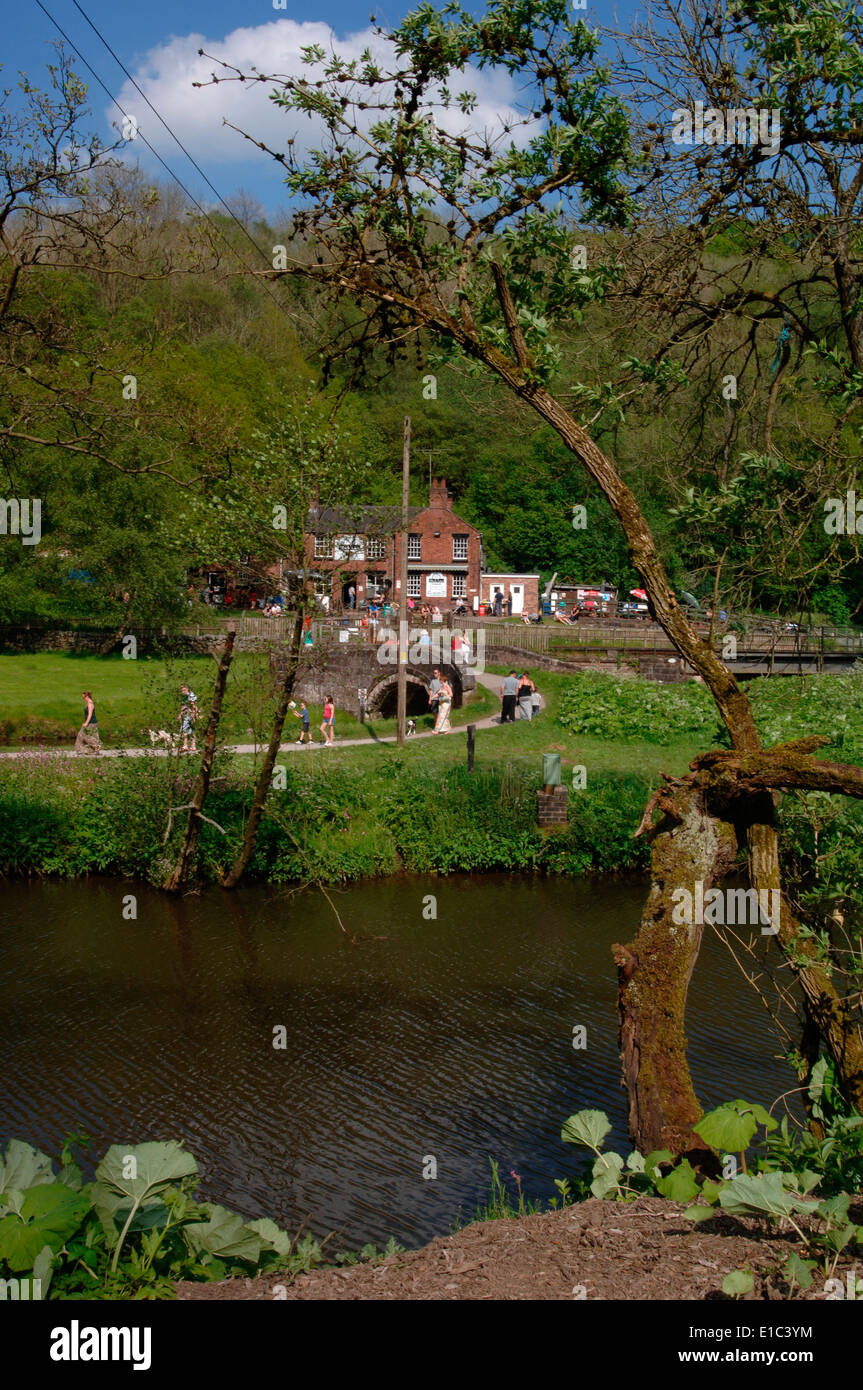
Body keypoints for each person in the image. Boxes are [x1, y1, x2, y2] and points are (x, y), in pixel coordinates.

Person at [75, 690, 101, 755]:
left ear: (87, 696)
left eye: (84, 697)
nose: (84, 699)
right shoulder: (88, 703)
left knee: (83, 735)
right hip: (91, 722)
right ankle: (87, 750)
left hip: (91, 723)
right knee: (86, 735)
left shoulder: (90, 703)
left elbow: (90, 714)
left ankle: (96, 747)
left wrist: (86, 723)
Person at [178, 684, 198, 754]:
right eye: (181, 690)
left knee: (185, 728)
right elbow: (184, 706)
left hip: (190, 714)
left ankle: (185, 745)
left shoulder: (190, 696)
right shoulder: (185, 697)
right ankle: (193, 745)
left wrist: (194, 714)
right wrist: (180, 714)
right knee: (191, 730)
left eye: (184, 690)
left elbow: (193, 706)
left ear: (187, 689)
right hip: (187, 714)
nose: (182, 692)